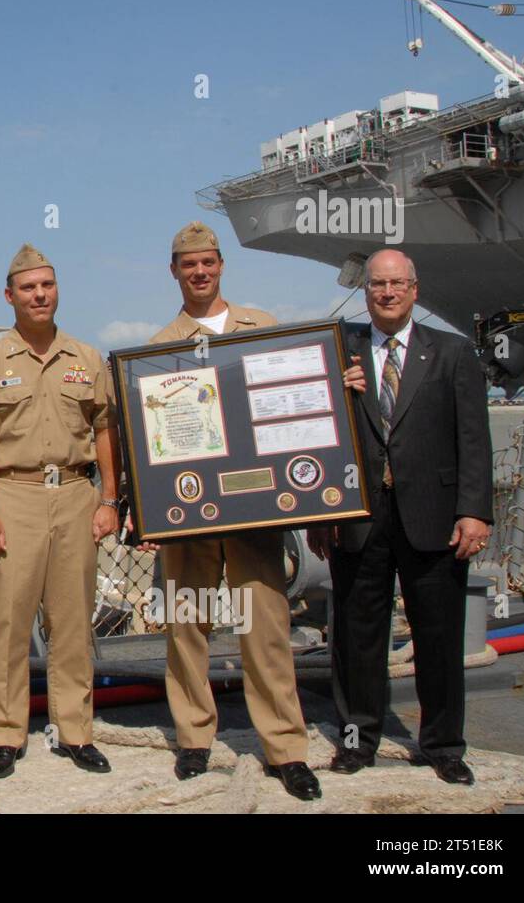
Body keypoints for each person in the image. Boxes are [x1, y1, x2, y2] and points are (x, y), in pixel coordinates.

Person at [149, 221, 321, 801]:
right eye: (188, 264)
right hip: (190, 512)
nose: (200, 272)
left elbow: (292, 404)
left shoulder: (263, 329)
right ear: (174, 271)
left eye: (208, 262)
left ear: (221, 265)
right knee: (186, 626)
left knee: (265, 628)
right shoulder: (156, 348)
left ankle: (285, 748)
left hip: (253, 507)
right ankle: (194, 739)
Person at [309, 249, 492, 785]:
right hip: (358, 512)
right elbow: (317, 429)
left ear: (414, 289)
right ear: (366, 292)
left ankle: (443, 746)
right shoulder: (343, 349)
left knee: (438, 636)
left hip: (433, 515)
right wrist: (323, 511)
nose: (386, 293)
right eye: (376, 286)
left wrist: (474, 512)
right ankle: (357, 740)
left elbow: (473, 441)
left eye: (396, 284)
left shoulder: (454, 353)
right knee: (355, 637)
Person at [0, 243, 120, 780]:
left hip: (74, 493)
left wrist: (109, 498)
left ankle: (75, 731)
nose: (39, 294)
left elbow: (104, 429)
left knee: (72, 623)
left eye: (46, 285)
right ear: (9, 296)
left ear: (57, 290)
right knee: (9, 622)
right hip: (13, 496)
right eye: (28, 287)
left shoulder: (86, 357)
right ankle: (5, 734)